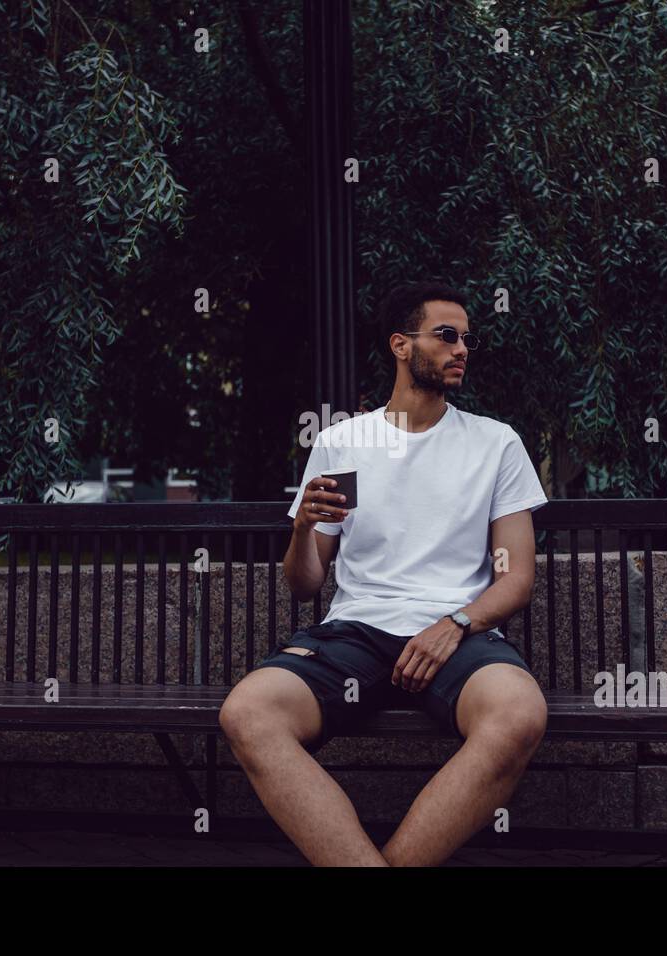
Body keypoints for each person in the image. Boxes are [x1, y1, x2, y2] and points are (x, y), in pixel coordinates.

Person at [218, 280, 549, 866]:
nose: (462, 349)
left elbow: (515, 578)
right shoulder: (343, 441)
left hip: (456, 636)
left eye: (467, 338)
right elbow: (305, 585)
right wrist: (300, 531)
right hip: (355, 634)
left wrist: (457, 622)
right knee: (248, 713)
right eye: (446, 336)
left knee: (519, 715)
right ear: (401, 345)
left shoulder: (495, 444)